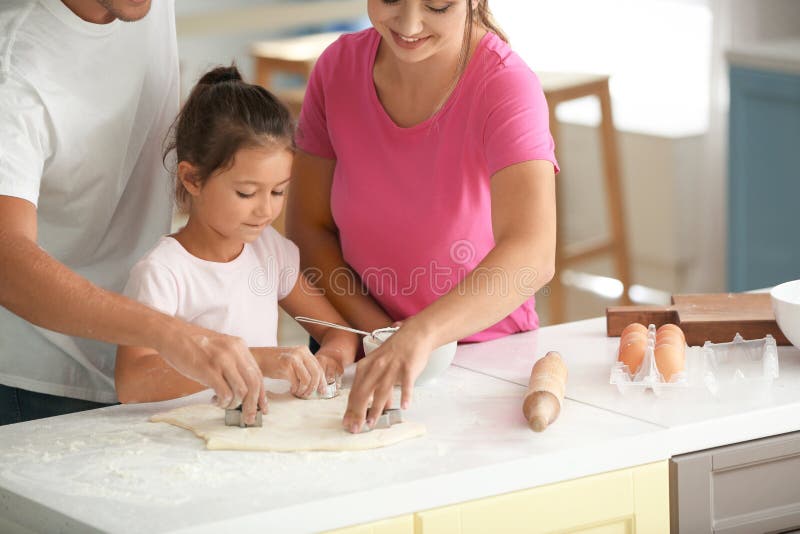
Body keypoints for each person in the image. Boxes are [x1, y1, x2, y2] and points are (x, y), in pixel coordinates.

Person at [287, 0, 558, 433]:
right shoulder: (336, 69)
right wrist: (383, 337)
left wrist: (421, 336)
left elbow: (533, 252)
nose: (409, 24)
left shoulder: (505, 84)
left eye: (437, 4)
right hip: (363, 350)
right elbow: (307, 229)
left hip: (484, 363)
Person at [0, 0, 264, 426]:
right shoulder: (15, 69)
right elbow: (6, 260)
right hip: (41, 383)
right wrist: (171, 333)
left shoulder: (143, 6)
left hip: (145, 357)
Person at [115, 66, 358, 403]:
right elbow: (132, 381)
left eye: (278, 192)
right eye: (246, 193)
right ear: (192, 179)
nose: (265, 211)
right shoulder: (164, 272)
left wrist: (328, 360)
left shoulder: (266, 249)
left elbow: (339, 332)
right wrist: (253, 363)